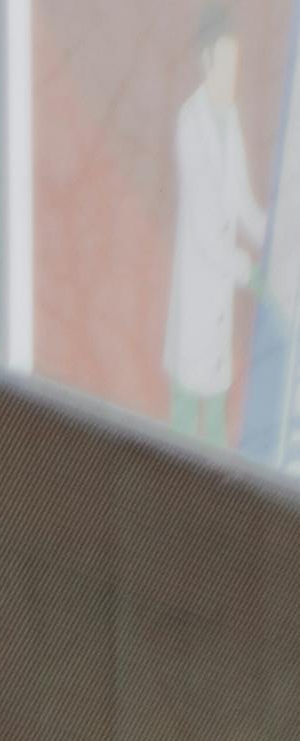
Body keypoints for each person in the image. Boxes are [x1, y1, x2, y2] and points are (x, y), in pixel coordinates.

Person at [168, 19, 266, 442]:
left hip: (221, 292)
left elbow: (241, 197)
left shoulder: (231, 118)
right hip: (199, 284)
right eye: (225, 63)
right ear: (206, 61)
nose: (232, 73)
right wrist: (249, 272)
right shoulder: (190, 123)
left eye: (235, 63)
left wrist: (274, 241)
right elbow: (205, 226)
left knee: (217, 424)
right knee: (186, 417)